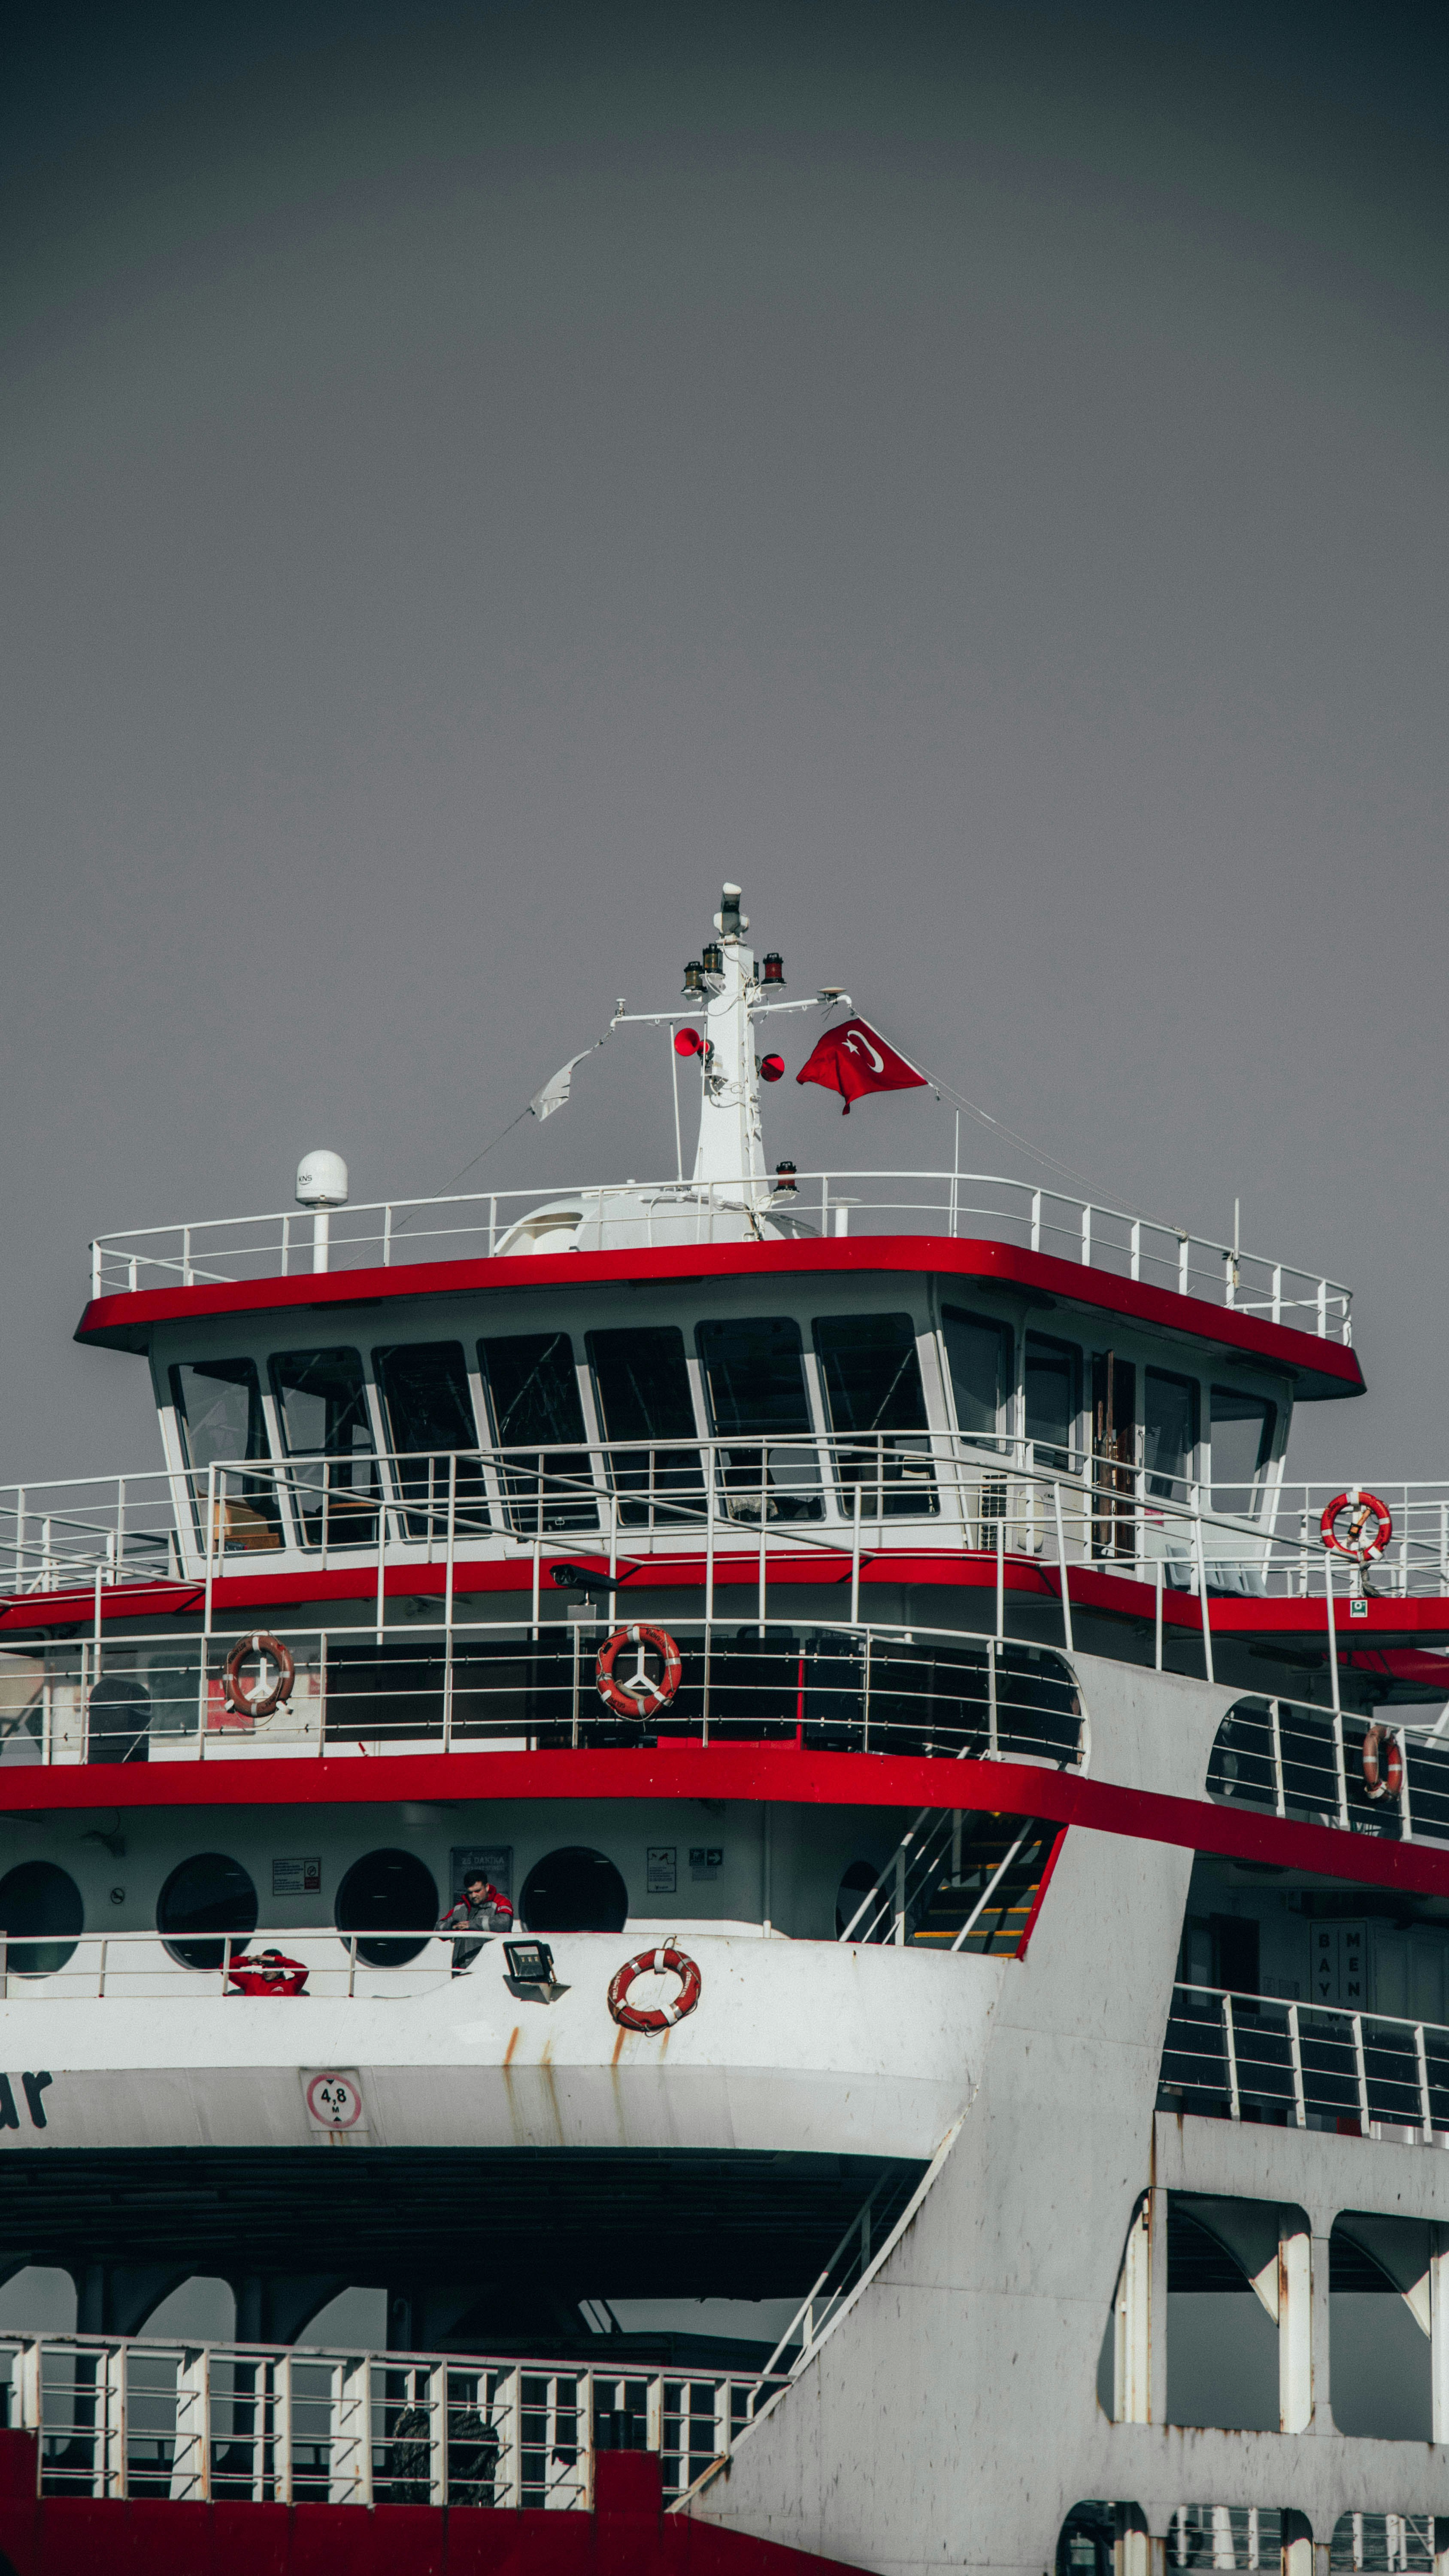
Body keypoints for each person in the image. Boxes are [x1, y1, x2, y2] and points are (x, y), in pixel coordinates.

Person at [439, 1872, 513, 1975]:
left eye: (478, 1891)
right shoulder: (461, 1906)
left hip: (488, 1971)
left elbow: (503, 1923)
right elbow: (439, 1928)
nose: (474, 1896)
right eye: (470, 1892)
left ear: (487, 1887)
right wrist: (452, 1927)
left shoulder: (501, 1902)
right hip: (459, 1970)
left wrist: (472, 1925)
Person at [225, 1946, 309, 1996]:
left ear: (280, 1968)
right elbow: (225, 1968)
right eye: (264, 1966)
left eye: (270, 1966)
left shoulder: (289, 1985)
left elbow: (304, 1972)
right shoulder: (253, 1981)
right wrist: (249, 1960)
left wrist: (276, 1960)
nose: (266, 1970)